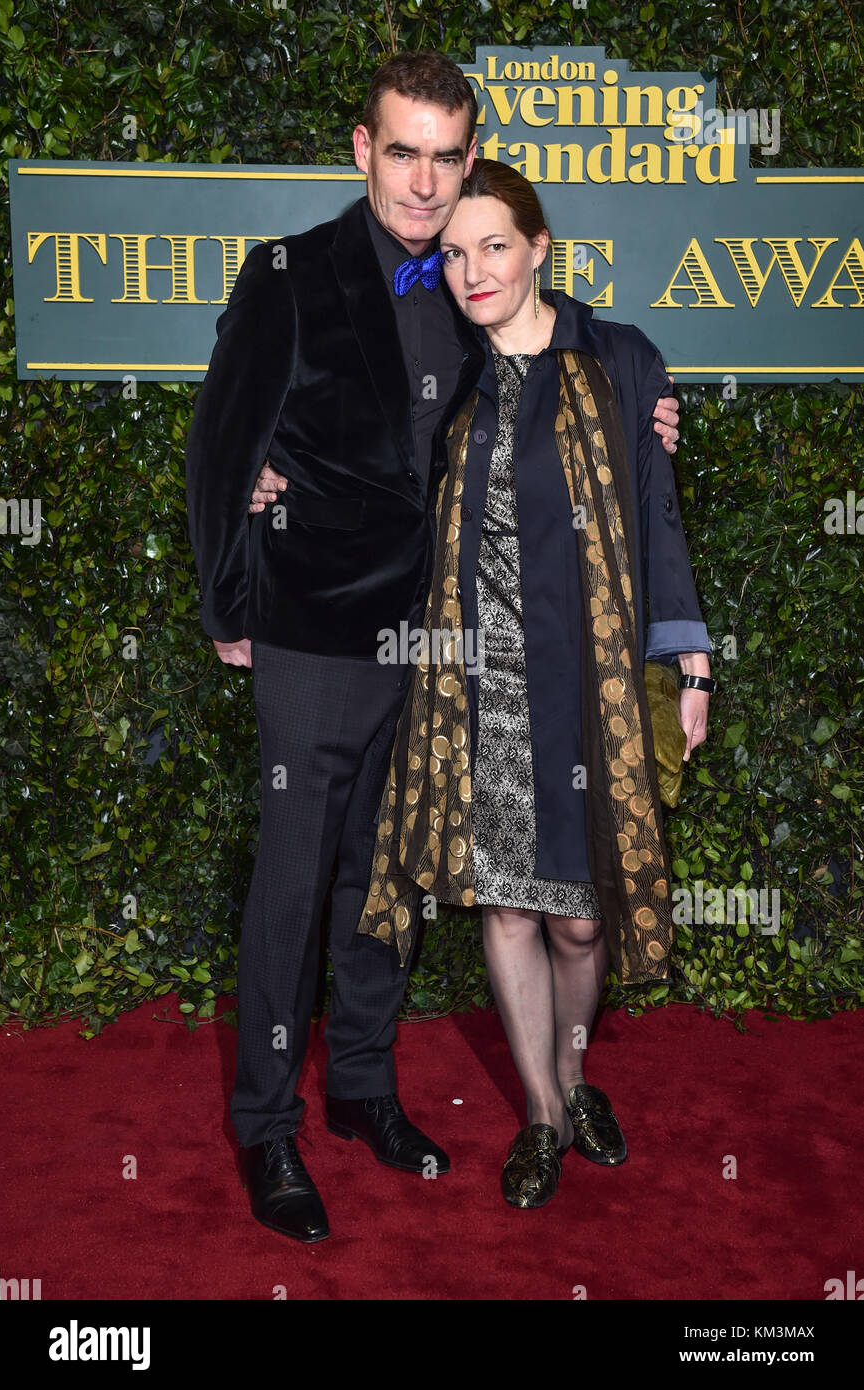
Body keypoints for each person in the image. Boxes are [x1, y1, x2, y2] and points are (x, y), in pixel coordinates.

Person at [187, 51, 682, 1244]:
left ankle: (360, 1087)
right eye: (401, 151)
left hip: (444, 642)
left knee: (387, 881)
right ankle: (265, 1124)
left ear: (470, 157)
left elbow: (557, 367)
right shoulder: (290, 274)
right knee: (296, 885)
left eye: (444, 155)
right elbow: (221, 446)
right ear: (363, 150)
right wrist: (232, 607)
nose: (422, 179)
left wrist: (646, 404)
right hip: (313, 634)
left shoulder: (466, 280)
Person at [353, 158, 715, 1210]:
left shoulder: (620, 360)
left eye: (493, 246)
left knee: (579, 921)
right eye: (453, 253)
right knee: (507, 908)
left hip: (587, 682)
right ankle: (546, 1114)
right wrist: (276, 477)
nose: (472, 271)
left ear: (540, 246)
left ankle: (575, 1067)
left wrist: (688, 665)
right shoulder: (439, 372)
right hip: (476, 689)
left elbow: (657, 515)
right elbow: (375, 489)